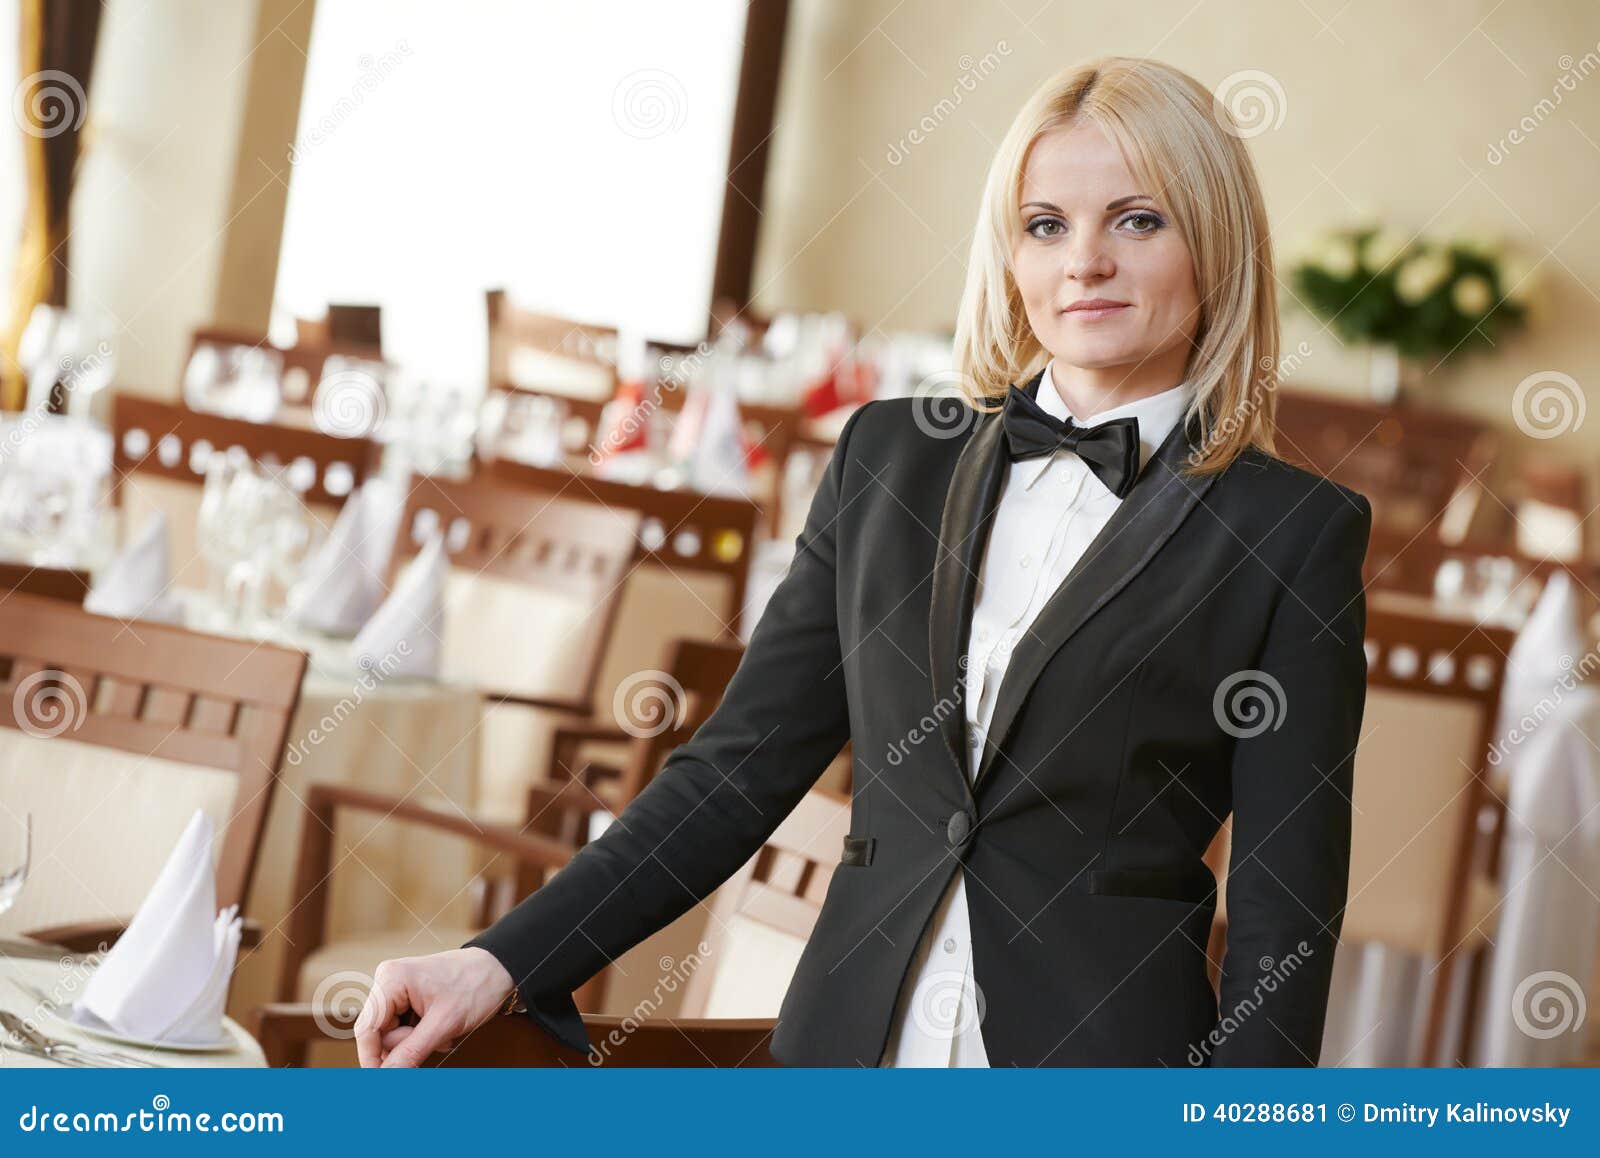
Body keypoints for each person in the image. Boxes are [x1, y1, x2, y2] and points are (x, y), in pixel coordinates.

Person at [356, 55, 1371, 1068]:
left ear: (1214, 242)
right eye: (1046, 225)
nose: (1084, 263)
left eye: (1137, 220)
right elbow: (736, 768)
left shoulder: (1293, 533)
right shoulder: (891, 459)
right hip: (843, 1052)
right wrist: (500, 961)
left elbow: (1286, 912)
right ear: (1009, 255)